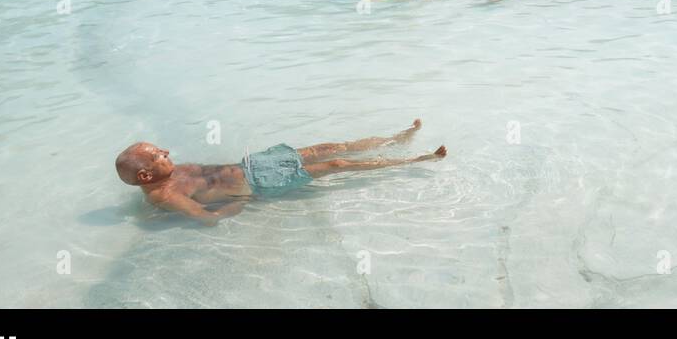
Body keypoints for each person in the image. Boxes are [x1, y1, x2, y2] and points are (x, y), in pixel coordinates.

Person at [114, 120, 446, 223]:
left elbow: (209, 176)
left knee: (326, 148)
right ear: (145, 176)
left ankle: (394, 139)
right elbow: (207, 217)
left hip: (252, 164)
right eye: (158, 155)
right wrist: (242, 201)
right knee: (336, 165)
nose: (166, 152)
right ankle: (414, 161)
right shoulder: (165, 195)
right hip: (259, 182)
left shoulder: (171, 175)